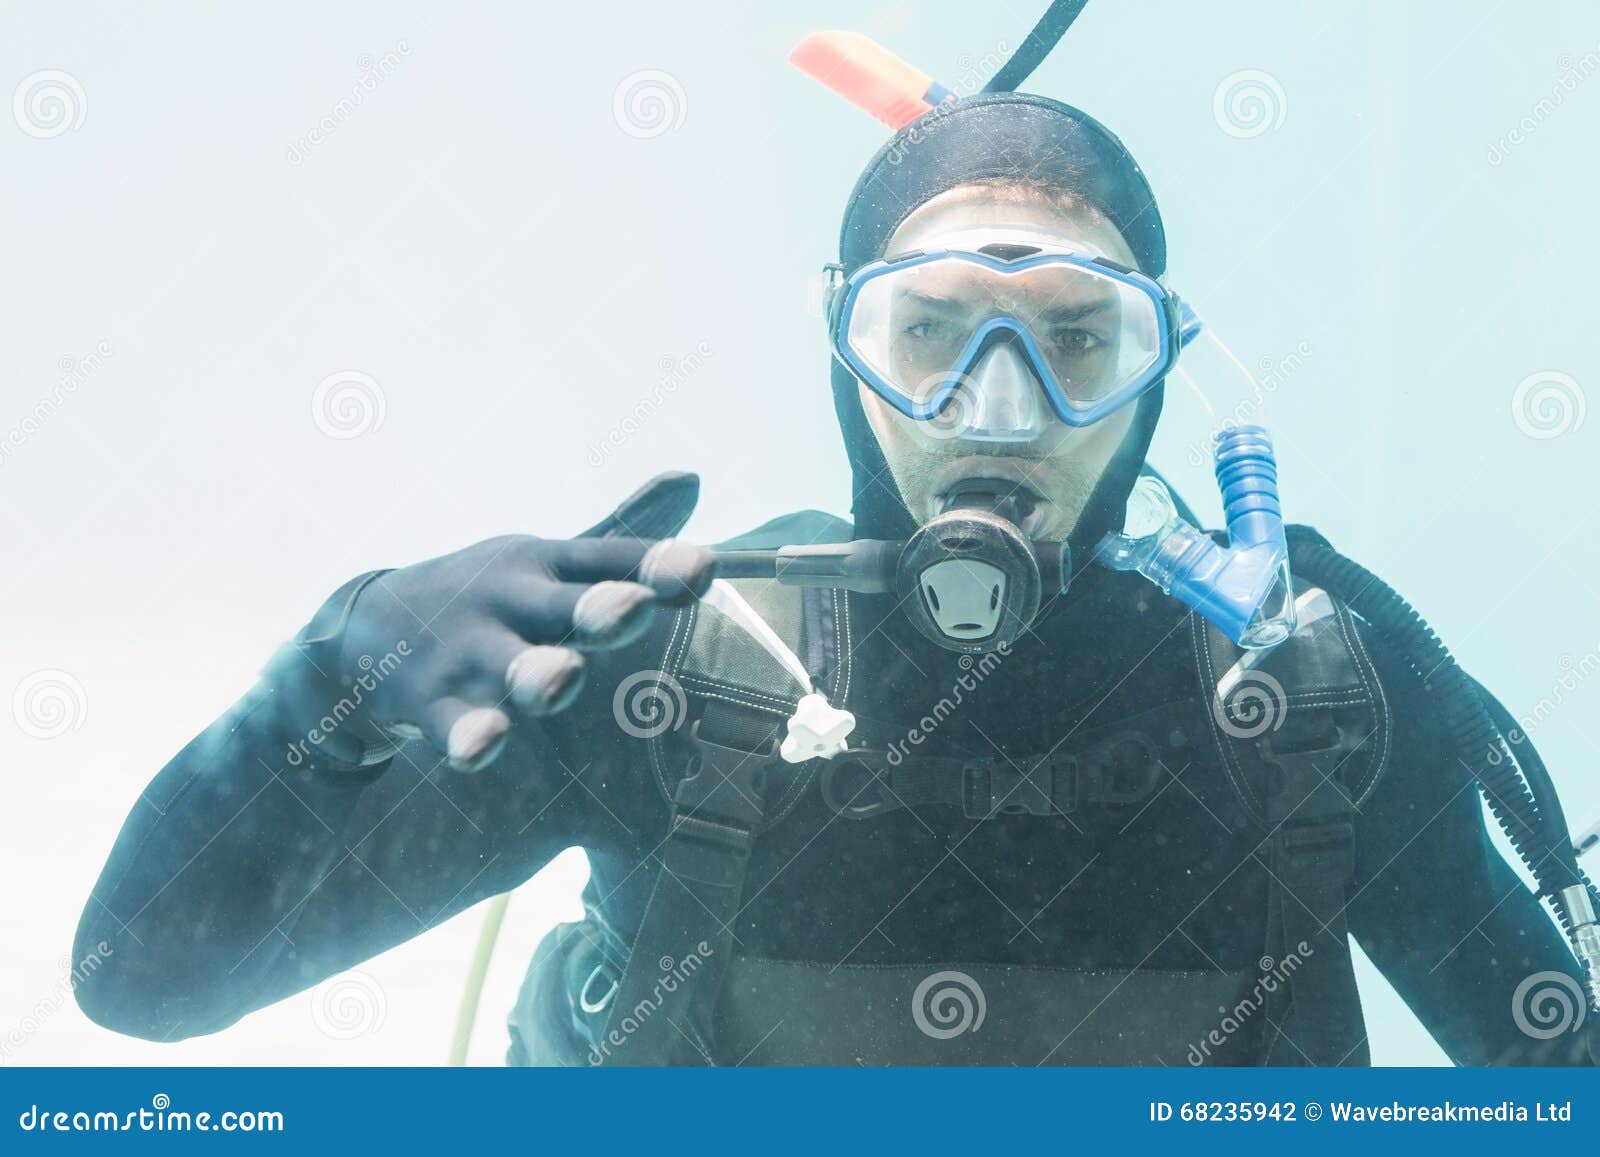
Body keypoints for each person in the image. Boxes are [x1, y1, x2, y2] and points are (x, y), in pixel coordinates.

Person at [73, 3, 1598, 1066]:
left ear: (1159, 373)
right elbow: (147, 974)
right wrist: (334, 676)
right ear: (845, 356)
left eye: (1079, 338)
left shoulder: (1313, 706)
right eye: (929, 330)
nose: (1000, 407)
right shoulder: (671, 671)